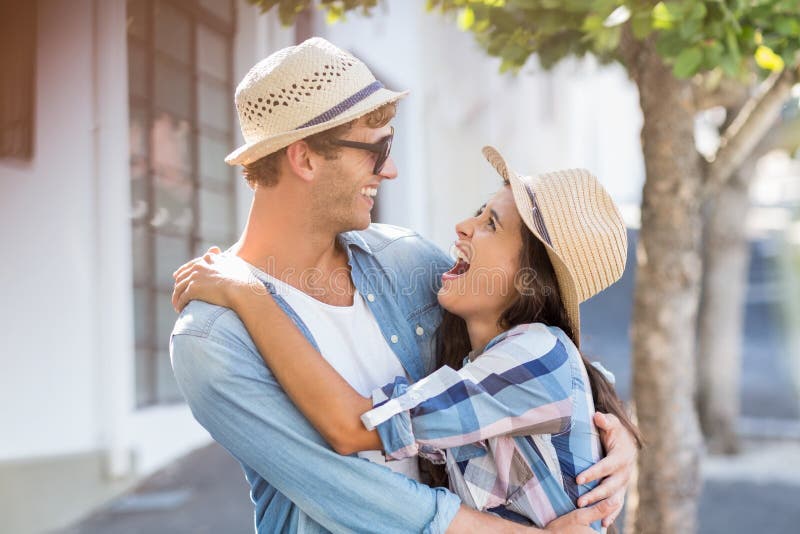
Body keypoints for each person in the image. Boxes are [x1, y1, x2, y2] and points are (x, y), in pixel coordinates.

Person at [169, 37, 637, 533]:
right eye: (378, 149)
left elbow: (532, 351)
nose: (389, 170)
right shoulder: (213, 339)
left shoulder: (404, 261)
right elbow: (353, 493)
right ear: (304, 159)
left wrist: (612, 433)